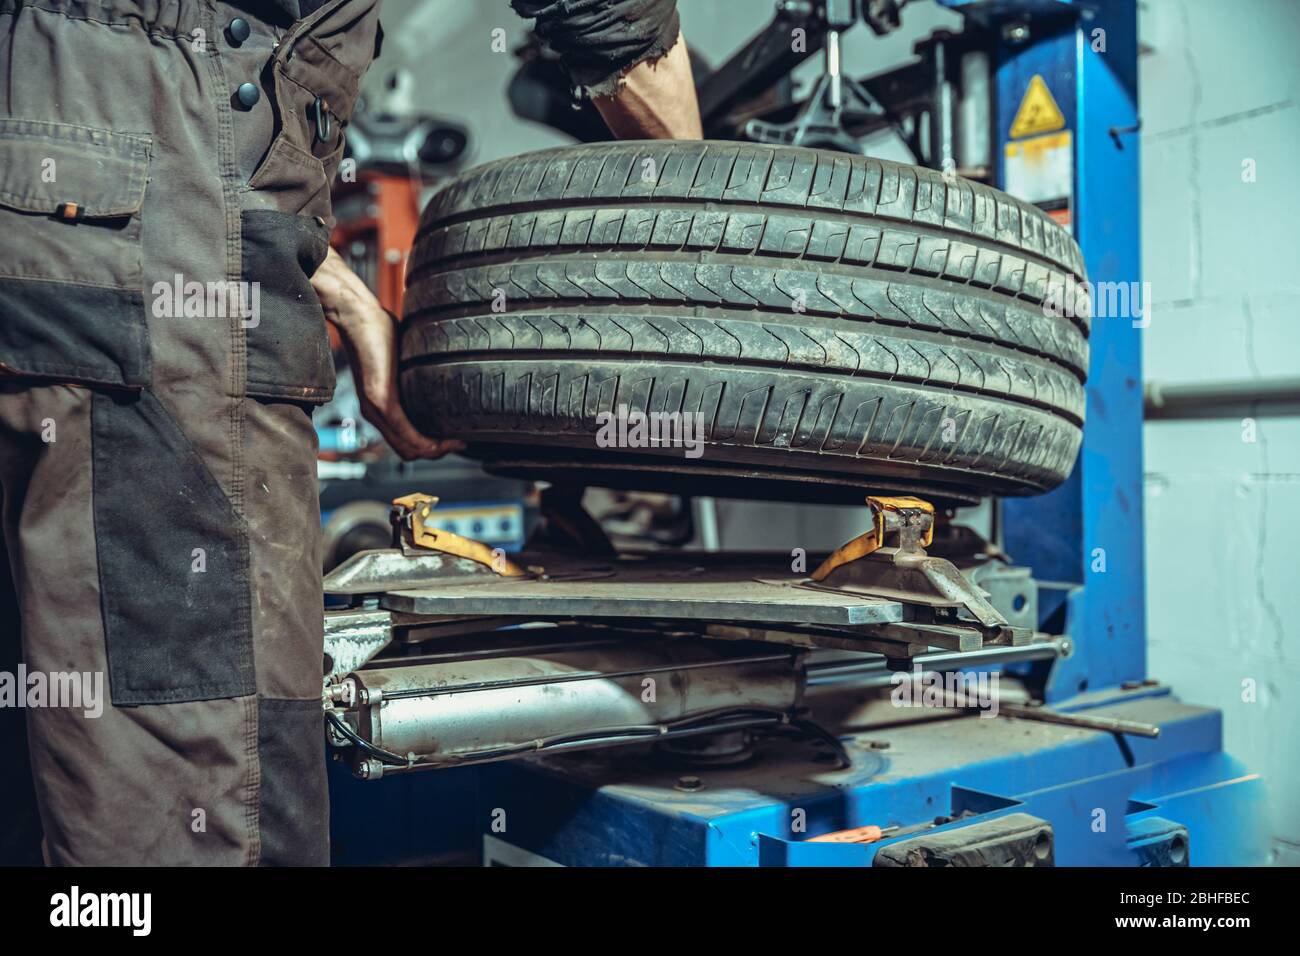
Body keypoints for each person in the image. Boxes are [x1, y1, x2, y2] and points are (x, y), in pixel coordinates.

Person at [0, 0, 701, 866]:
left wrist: (342, 293)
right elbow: (175, 127)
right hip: (154, 246)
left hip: (58, 196)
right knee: (210, 799)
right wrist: (711, 226)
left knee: (45, 761)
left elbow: (112, 124)